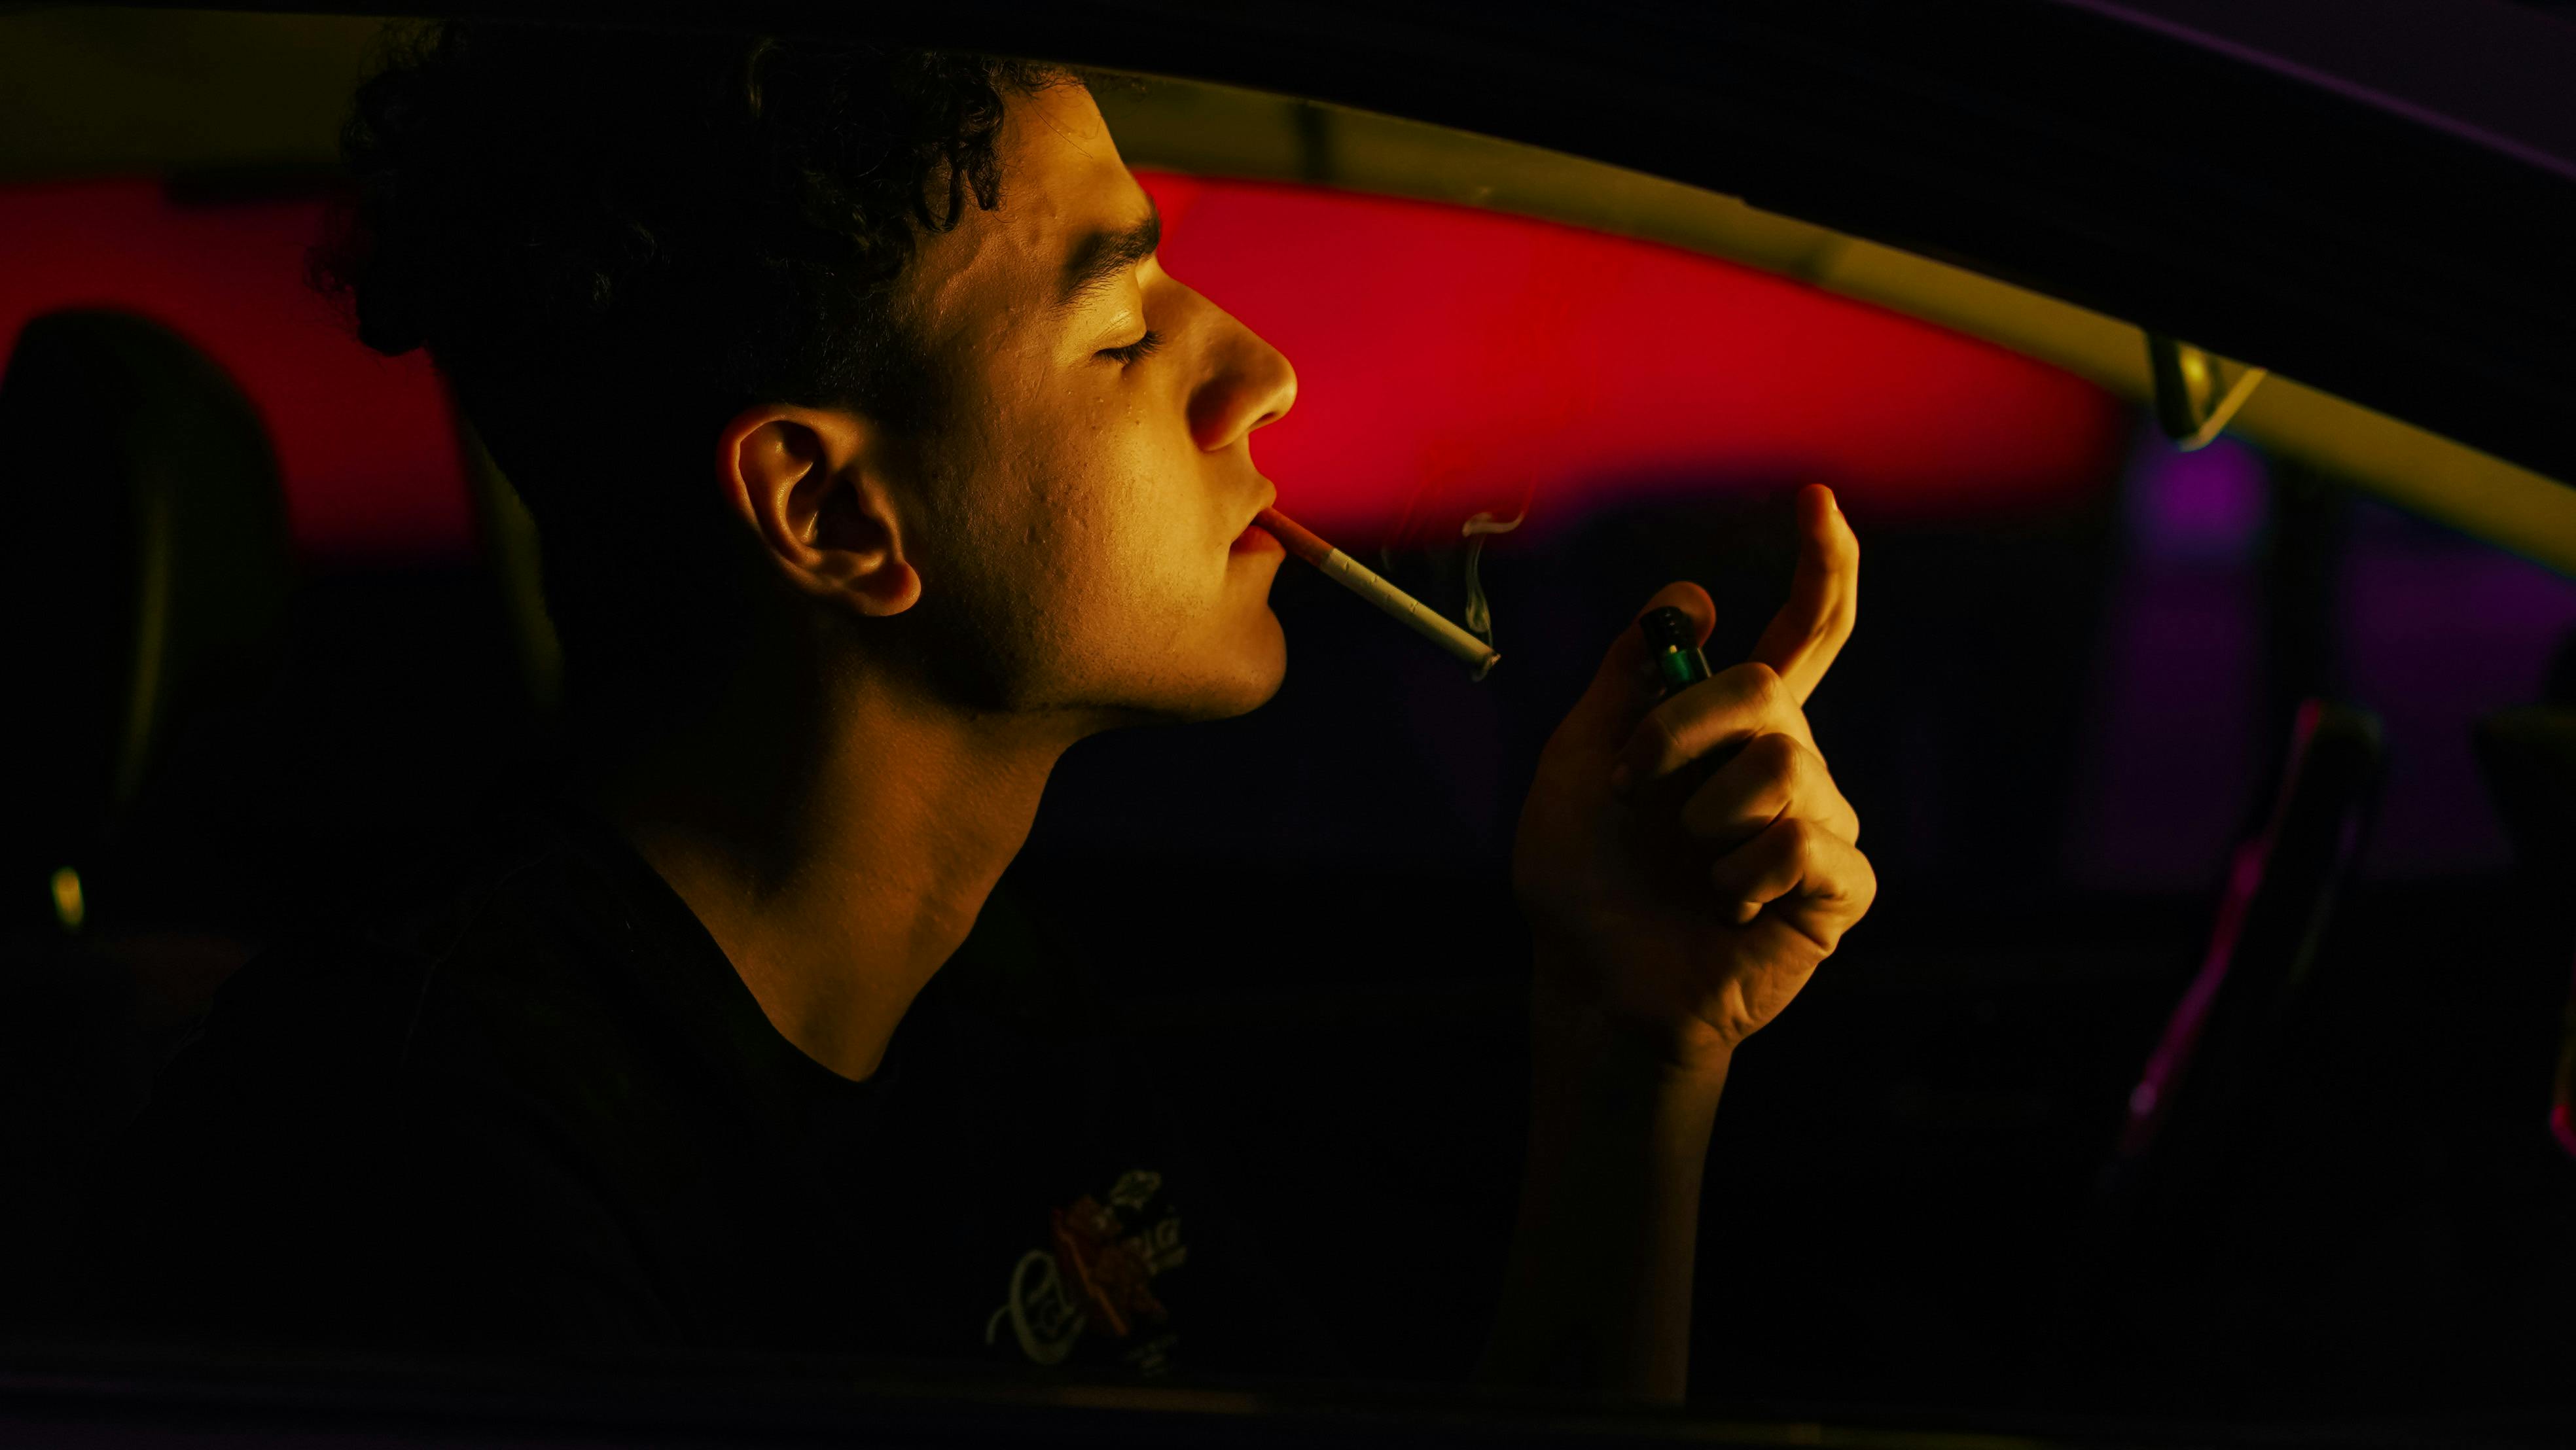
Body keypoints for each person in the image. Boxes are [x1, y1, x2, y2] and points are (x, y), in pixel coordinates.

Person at [73, 22, 1871, 1401]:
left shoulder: (981, 1002)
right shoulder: (422, 1175)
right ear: (838, 516)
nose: (1260, 369)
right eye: (1119, 324)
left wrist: (1634, 1050)